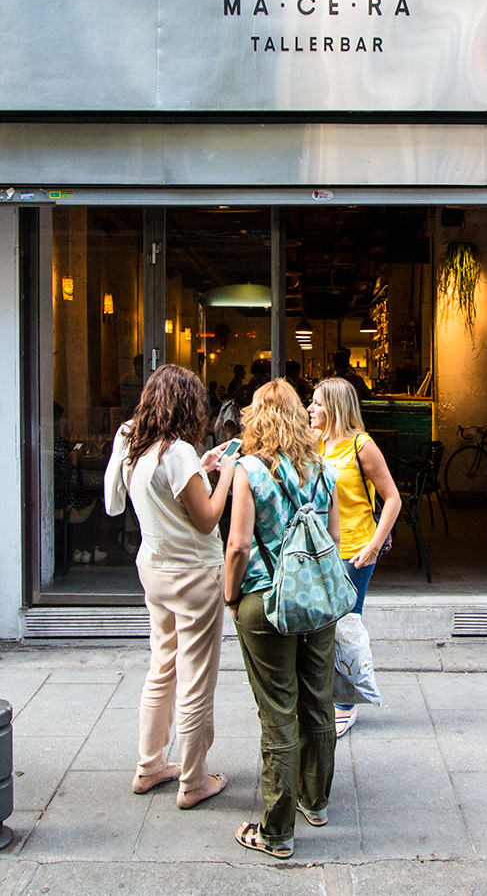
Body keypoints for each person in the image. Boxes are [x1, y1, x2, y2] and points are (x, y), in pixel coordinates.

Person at [104, 364, 237, 810]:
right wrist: (227, 476)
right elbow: (206, 518)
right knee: (196, 680)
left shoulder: (134, 445)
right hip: (194, 576)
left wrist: (201, 470)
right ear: (187, 404)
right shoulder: (176, 452)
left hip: (154, 570)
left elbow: (116, 502)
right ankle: (194, 780)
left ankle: (149, 766)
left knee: (161, 667)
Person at [224, 378, 341, 859]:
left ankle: (277, 831)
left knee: (277, 713)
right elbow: (331, 545)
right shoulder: (324, 470)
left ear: (258, 418)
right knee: (318, 700)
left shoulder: (248, 470)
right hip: (315, 602)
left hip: (265, 600)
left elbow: (238, 546)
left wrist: (232, 598)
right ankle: (316, 801)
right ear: (297, 416)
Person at [308, 377, 401, 737]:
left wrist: (374, 546)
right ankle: (327, 695)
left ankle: (345, 704)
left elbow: (392, 498)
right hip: (319, 551)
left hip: (355, 552)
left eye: (316, 403)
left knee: (346, 626)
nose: (310, 409)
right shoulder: (313, 443)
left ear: (334, 407)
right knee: (320, 626)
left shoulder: (362, 445)